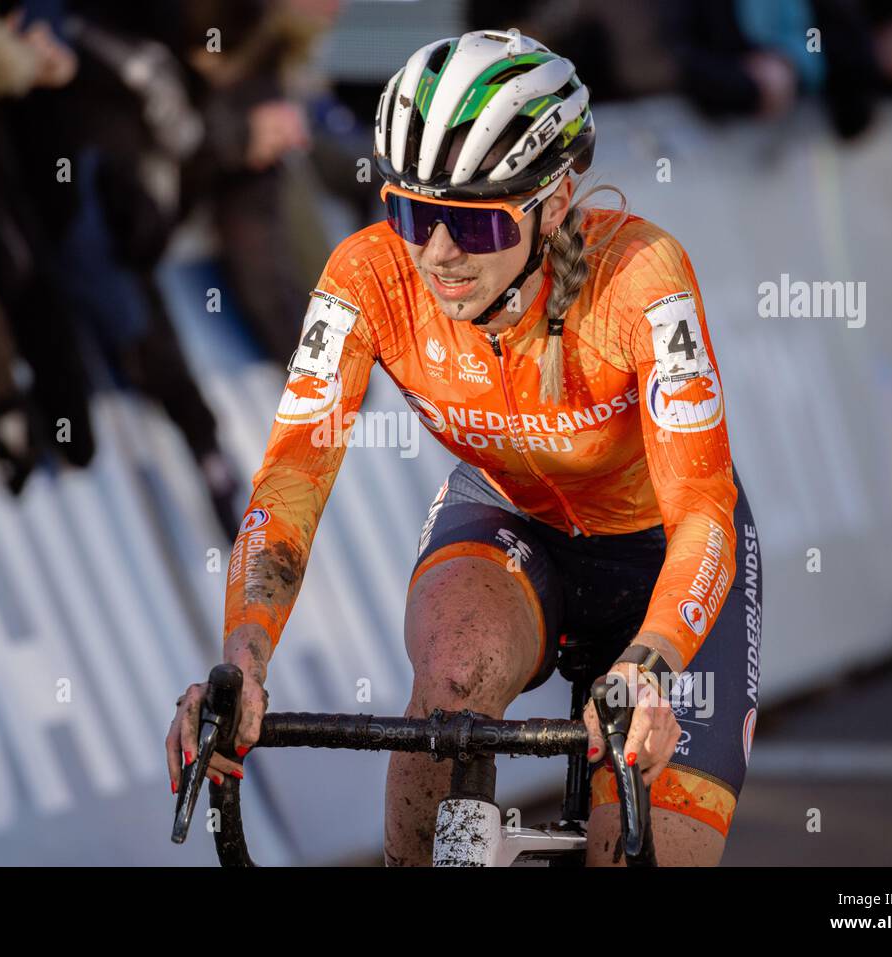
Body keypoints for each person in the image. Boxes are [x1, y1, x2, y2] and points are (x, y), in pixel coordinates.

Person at [167, 29, 763, 867]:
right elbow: (294, 474)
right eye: (412, 212)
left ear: (553, 204)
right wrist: (243, 659)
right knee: (452, 671)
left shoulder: (642, 278)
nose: (437, 254)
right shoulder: (368, 276)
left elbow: (703, 510)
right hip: (510, 521)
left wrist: (652, 661)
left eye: (472, 224)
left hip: (662, 555)